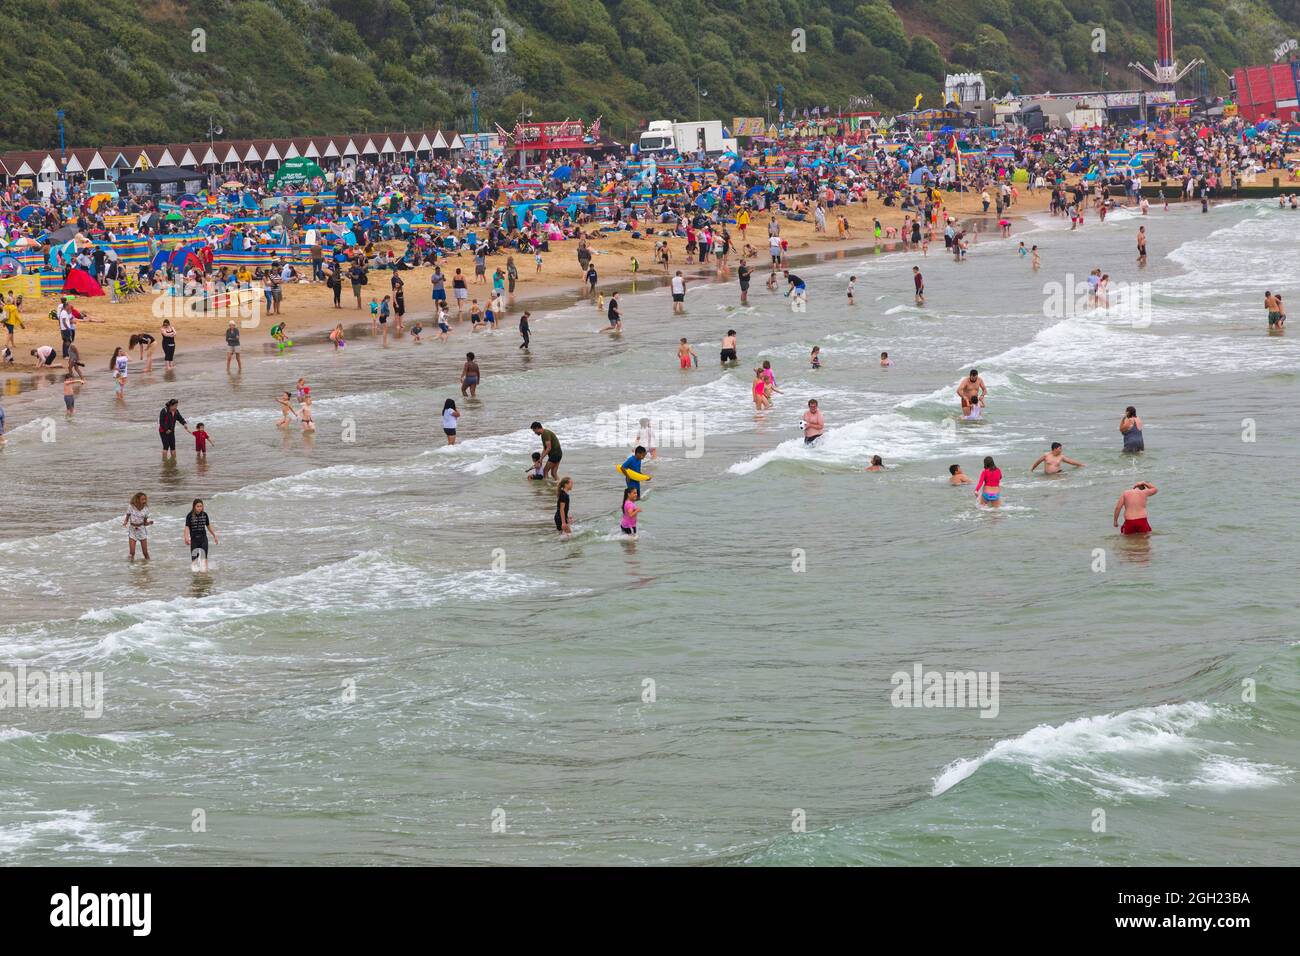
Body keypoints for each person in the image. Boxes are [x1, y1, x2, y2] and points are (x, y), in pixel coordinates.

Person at [184, 498, 217, 572]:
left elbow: (208, 526)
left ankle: (204, 574)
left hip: (203, 539)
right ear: (194, 507)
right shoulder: (189, 516)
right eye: (197, 506)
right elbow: (186, 528)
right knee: (194, 559)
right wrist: (186, 538)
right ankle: (195, 576)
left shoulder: (205, 515)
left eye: (201, 506)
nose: (199, 508)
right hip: (194, 540)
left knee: (204, 558)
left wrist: (214, 535)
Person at [123, 492, 153, 560]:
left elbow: (145, 523)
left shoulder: (146, 509)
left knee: (145, 552)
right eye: (142, 499)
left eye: (145, 499)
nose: (144, 501)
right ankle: (131, 567)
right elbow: (127, 515)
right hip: (132, 530)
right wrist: (125, 522)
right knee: (132, 552)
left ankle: (148, 566)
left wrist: (149, 523)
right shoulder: (131, 506)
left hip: (141, 530)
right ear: (137, 499)